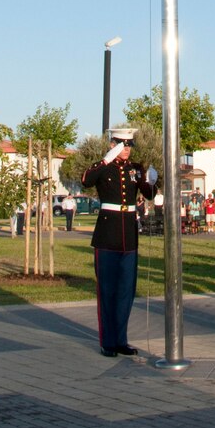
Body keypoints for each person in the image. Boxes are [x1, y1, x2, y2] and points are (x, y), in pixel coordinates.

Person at [81, 127, 158, 357]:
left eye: (128, 145)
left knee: (126, 290)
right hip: (108, 234)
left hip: (129, 236)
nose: (126, 149)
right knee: (107, 290)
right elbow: (86, 180)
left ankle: (121, 339)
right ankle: (108, 341)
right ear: (112, 145)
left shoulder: (135, 169)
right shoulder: (103, 167)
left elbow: (149, 193)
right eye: (121, 144)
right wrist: (105, 160)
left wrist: (153, 181)